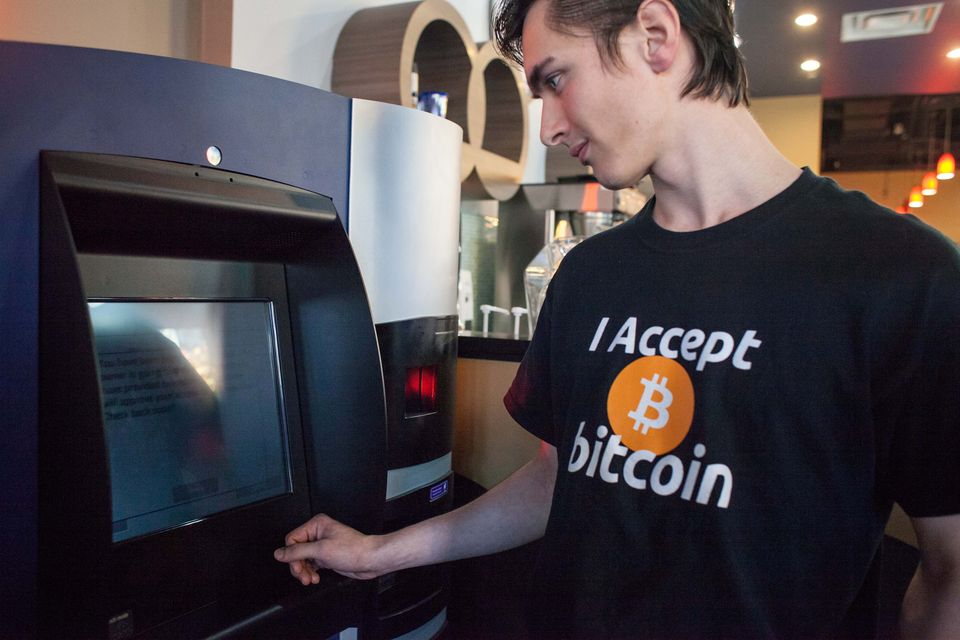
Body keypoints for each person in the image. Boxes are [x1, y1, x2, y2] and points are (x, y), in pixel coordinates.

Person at [275, 0, 960, 636]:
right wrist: (379, 554)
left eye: (556, 79)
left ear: (656, 37)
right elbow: (565, 477)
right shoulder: (589, 276)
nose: (548, 124)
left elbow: (950, 571)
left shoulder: (900, 275)